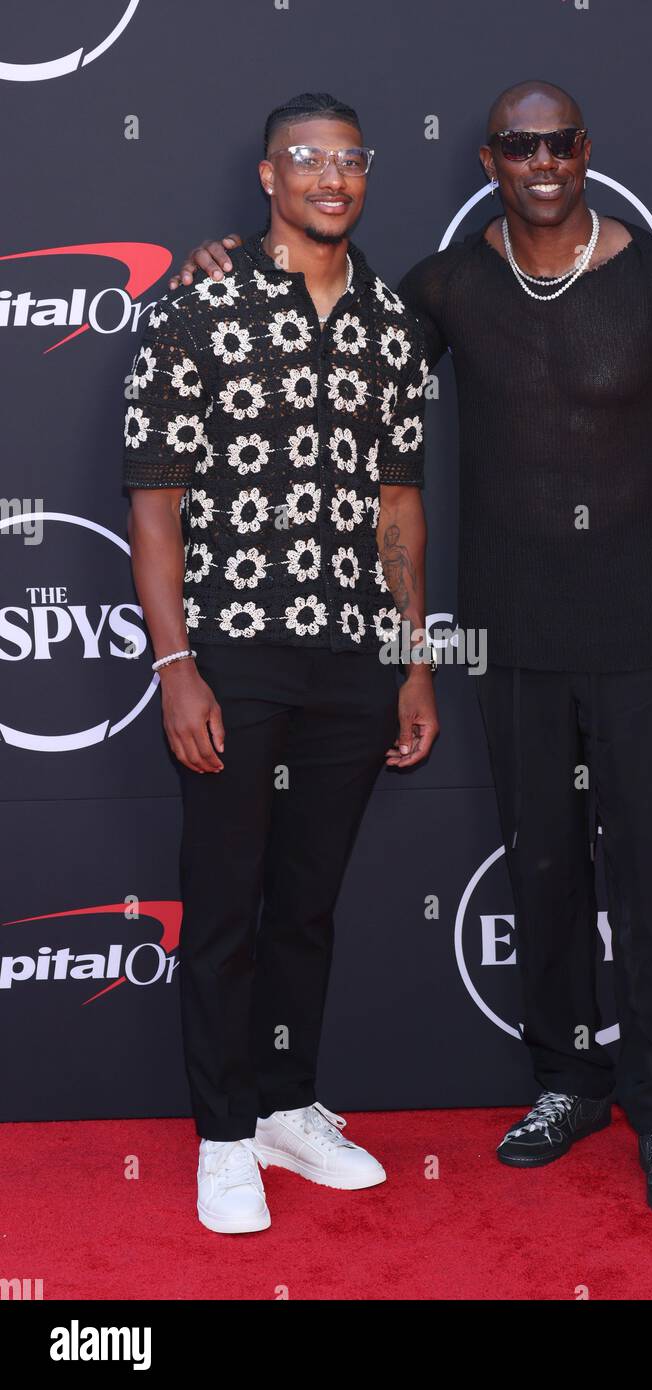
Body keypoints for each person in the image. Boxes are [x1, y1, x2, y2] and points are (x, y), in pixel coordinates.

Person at [171, 79, 652, 1218]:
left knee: (647, 872)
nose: (541, 160)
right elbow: (332, 321)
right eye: (519, 145)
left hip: (640, 639)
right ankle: (565, 1083)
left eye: (560, 142)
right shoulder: (442, 290)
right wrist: (223, 265)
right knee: (539, 871)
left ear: (586, 151)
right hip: (517, 641)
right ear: (487, 158)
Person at [123, 92, 437, 1234]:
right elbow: (152, 504)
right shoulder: (199, 303)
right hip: (234, 651)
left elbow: (398, 504)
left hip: (353, 654)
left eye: (348, 159)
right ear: (267, 176)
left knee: (305, 905)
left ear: (364, 175)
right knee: (222, 908)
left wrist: (410, 662)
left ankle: (284, 1105)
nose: (330, 176)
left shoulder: (391, 323)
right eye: (306, 158)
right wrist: (176, 665)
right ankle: (219, 1138)